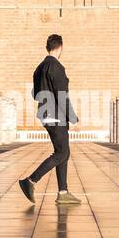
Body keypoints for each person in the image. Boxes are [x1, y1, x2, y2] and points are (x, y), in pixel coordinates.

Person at [18, 33, 82, 205]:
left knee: (63, 152)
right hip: (56, 115)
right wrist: (73, 118)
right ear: (60, 47)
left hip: (46, 114)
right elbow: (62, 95)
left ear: (48, 47)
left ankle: (63, 192)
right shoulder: (57, 67)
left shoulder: (39, 68)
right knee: (62, 152)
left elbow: (35, 94)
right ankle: (30, 181)